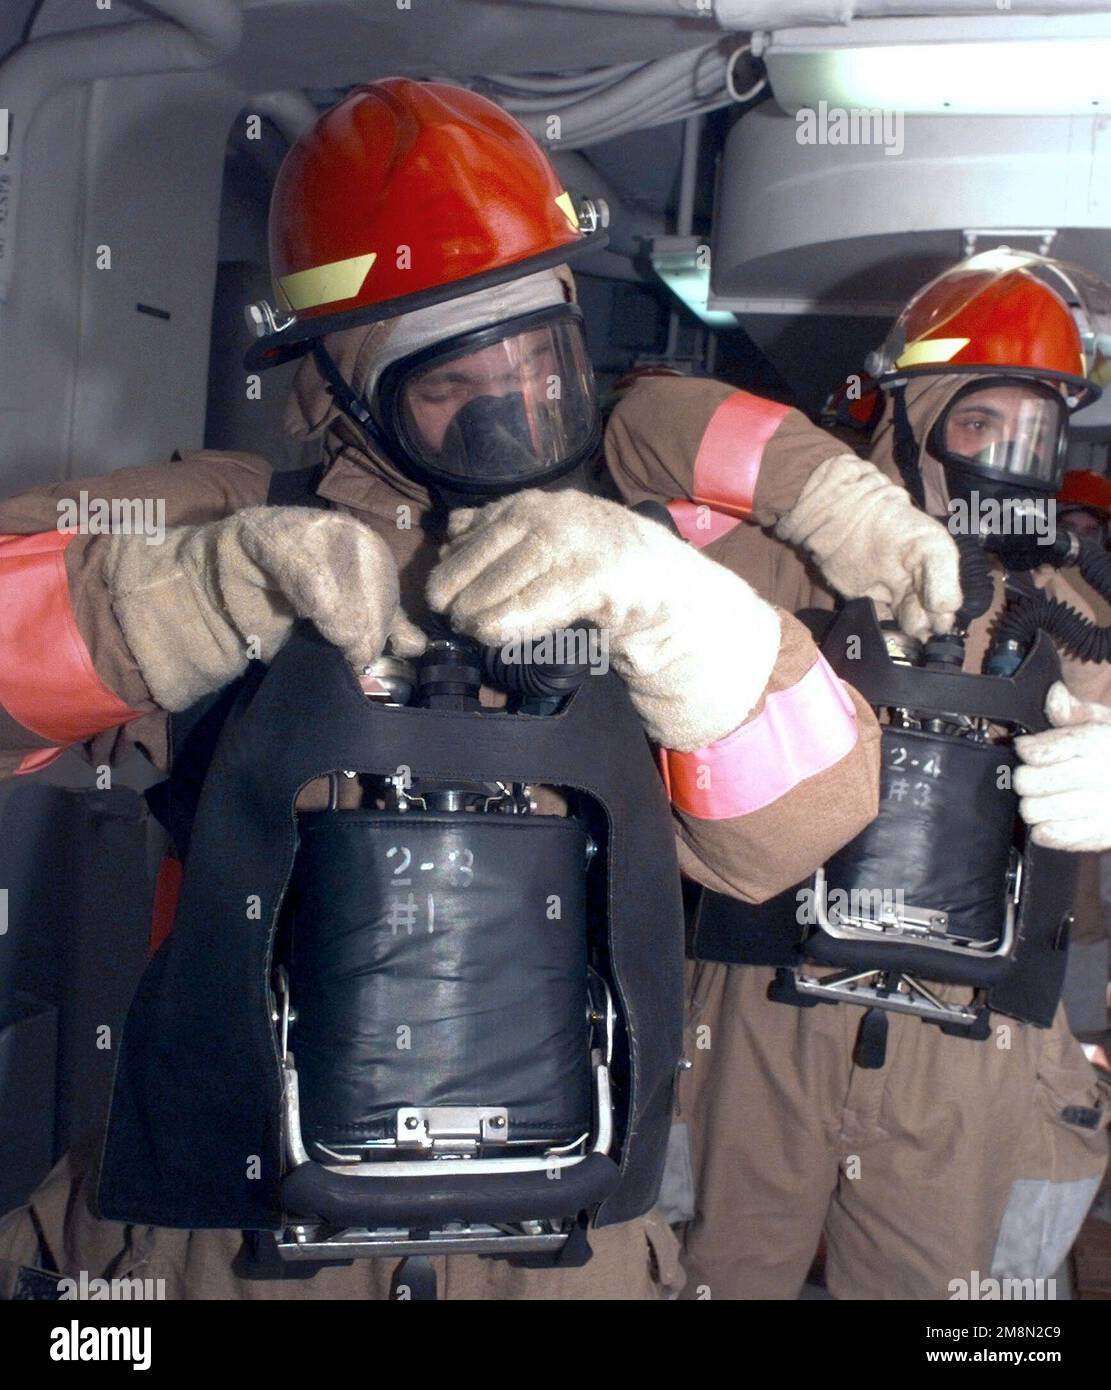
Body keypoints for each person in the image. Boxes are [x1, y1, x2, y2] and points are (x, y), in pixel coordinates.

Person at [0, 78, 953, 1301]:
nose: (509, 403)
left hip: (559, 1241)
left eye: (535, 357)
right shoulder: (232, 523)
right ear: (335, 388)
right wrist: (162, 605)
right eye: (447, 377)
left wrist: (698, 631)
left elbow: (790, 843)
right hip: (239, 1231)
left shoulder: (644, 559)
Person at [602, 247, 1111, 1299]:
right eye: (981, 420)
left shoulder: (1077, 612)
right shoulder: (782, 554)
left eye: (1036, 428)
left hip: (973, 1037)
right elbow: (635, 435)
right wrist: (833, 498)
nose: (1007, 455)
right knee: (705, 1279)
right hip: (757, 1007)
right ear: (911, 413)